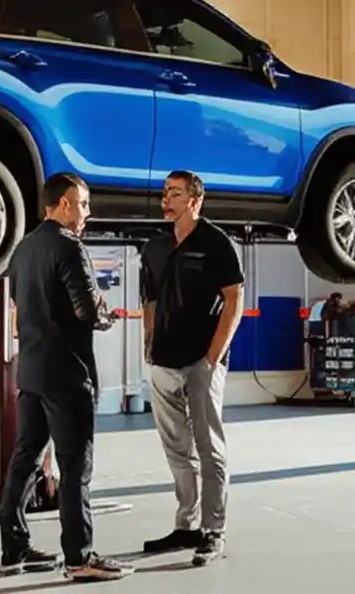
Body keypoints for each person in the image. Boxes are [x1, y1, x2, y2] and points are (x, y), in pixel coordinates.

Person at [0, 172, 133, 582]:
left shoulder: (22, 249)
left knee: (24, 459)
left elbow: (19, 306)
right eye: (84, 204)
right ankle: (79, 557)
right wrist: (106, 315)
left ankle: (14, 546)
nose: (87, 213)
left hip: (33, 371)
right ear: (63, 205)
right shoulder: (69, 247)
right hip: (67, 374)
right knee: (76, 466)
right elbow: (88, 311)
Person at [138, 170, 246, 567]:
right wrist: (148, 344)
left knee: (209, 448)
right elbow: (149, 296)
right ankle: (187, 525)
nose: (166, 199)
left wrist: (211, 359)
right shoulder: (155, 245)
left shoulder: (217, 244)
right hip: (163, 363)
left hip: (201, 362)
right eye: (165, 192)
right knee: (177, 450)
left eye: (176, 193)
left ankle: (213, 531)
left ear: (195, 201)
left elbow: (234, 300)